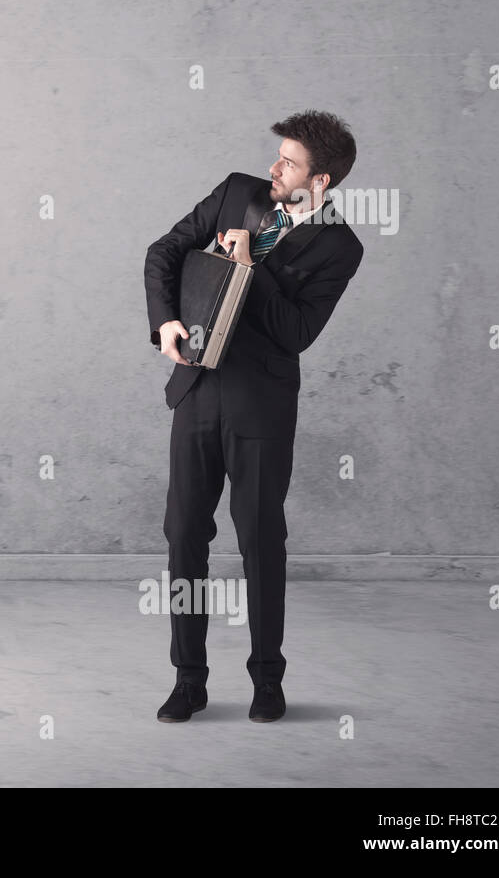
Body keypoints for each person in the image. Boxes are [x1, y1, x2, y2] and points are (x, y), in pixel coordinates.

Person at [142, 110, 365, 723]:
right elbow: (164, 251)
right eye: (278, 156)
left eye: (289, 163)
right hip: (197, 391)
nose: (275, 168)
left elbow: (296, 332)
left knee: (261, 541)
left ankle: (268, 679)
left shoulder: (340, 246)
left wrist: (249, 269)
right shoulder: (237, 193)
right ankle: (189, 680)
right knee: (184, 534)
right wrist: (165, 320)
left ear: (319, 182)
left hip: (261, 409)